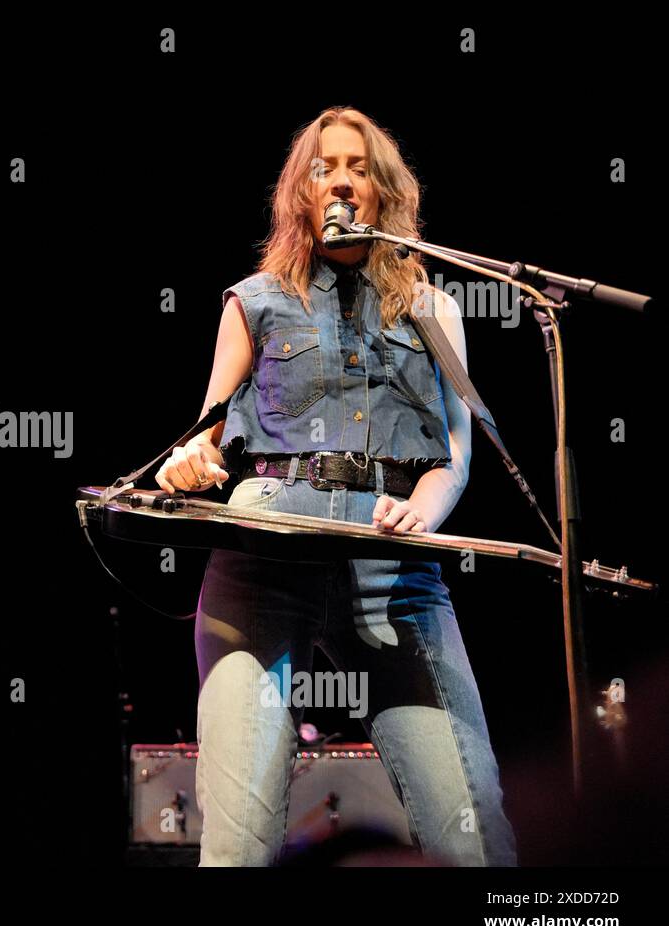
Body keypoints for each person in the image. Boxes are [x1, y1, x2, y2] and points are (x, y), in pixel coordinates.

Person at [156, 107, 517, 866]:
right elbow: (207, 429)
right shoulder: (252, 299)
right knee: (238, 843)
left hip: (394, 568)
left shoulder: (433, 308)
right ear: (301, 192)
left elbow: (455, 453)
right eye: (325, 168)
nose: (343, 180)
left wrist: (423, 511)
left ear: (384, 191)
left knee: (474, 828)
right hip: (262, 554)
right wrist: (184, 462)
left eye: (358, 166)